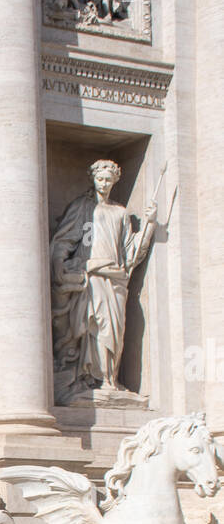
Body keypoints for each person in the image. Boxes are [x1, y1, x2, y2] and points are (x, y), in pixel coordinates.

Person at [50, 158, 156, 400]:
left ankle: (110, 379)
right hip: (92, 277)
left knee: (114, 331)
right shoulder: (82, 207)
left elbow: (130, 252)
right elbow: (64, 241)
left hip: (116, 280)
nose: (104, 183)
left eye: (109, 179)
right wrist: (59, 266)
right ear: (93, 178)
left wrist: (148, 227)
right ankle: (90, 379)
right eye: (100, 179)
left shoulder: (120, 213)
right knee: (95, 327)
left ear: (115, 181)